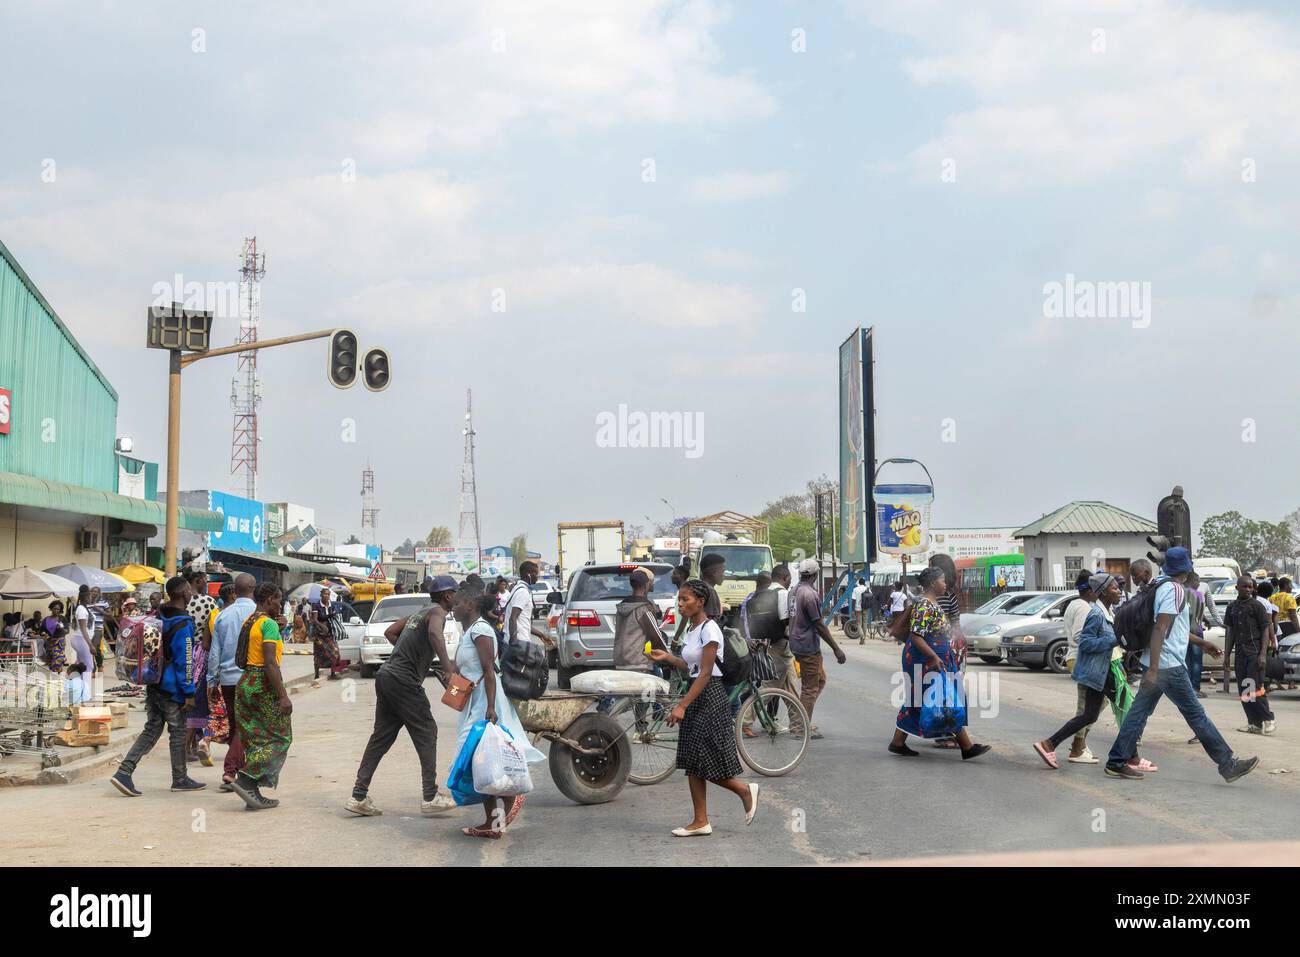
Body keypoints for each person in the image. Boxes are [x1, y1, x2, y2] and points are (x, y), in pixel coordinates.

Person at [1105, 548, 1257, 782]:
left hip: (1156, 663)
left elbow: (1173, 629)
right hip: (1167, 666)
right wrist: (1155, 670)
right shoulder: (1175, 589)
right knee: (1196, 715)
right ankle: (1227, 764)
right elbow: (1160, 629)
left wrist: (1203, 643)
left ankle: (1116, 761)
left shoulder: (1160, 586)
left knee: (1138, 713)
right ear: (1186, 569)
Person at [648, 579, 758, 836]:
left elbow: (707, 673)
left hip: (709, 697)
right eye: (679, 599)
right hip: (697, 694)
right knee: (691, 759)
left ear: (701, 601)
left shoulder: (710, 630)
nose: (680, 604)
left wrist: (682, 706)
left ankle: (744, 790)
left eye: (685, 599)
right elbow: (692, 668)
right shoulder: (692, 631)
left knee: (706, 758)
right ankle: (701, 821)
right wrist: (668, 658)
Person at [346, 576, 460, 817]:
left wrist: (414, 655)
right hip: (403, 681)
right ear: (448, 596)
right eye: (456, 594)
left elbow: (390, 632)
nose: (458, 598)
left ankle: (358, 796)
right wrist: (449, 669)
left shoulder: (420, 613)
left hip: (387, 677)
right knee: (428, 731)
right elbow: (435, 635)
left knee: (381, 738)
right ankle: (430, 796)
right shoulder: (437, 613)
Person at [1033, 575, 1150, 770]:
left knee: (1089, 715)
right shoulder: (1096, 614)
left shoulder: (1107, 612)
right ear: (1103, 592)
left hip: (1106, 669)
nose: (1119, 591)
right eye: (1114, 588)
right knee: (1125, 709)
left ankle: (1049, 744)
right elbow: (1086, 643)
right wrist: (1114, 641)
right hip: (1100, 671)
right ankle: (1132, 758)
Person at [452, 590, 545, 838]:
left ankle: (512, 796)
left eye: (458, 603)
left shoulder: (481, 630)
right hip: (473, 700)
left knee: (479, 757)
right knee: (479, 761)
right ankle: (492, 823)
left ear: (470, 604)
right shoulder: (467, 632)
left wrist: (491, 707)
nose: (453, 607)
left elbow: (489, 670)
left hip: (485, 701)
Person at [111, 575, 204, 796]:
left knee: (152, 728)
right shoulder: (183, 623)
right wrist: (189, 692)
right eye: (189, 591)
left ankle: (124, 771)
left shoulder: (158, 615)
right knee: (178, 730)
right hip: (172, 687)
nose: (191, 594)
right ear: (183, 594)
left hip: (153, 681)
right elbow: (186, 661)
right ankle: (179, 779)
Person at [890, 566, 991, 760]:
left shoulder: (931, 604)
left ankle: (898, 742)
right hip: (928, 660)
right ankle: (966, 746)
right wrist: (934, 657)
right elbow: (917, 637)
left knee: (923, 699)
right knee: (945, 699)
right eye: (942, 580)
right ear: (931, 583)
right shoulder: (925, 606)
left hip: (936, 659)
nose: (945, 584)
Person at [231, 582, 292, 810]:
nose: (280, 604)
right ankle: (246, 780)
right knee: (281, 737)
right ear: (269, 600)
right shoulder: (268, 625)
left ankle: (252, 794)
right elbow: (269, 663)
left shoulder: (251, 621)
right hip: (262, 685)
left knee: (255, 739)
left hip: (245, 682)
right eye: (278, 600)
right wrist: (283, 696)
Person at [788, 558, 846, 739]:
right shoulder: (809, 595)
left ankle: (801, 718)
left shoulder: (793, 592)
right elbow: (819, 624)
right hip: (807, 646)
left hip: (797, 642)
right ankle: (800, 727)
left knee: (820, 680)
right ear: (815, 574)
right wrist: (837, 649)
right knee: (810, 689)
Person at [209, 573, 257, 791]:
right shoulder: (259, 615)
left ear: (235, 591)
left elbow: (214, 652)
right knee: (245, 727)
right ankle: (231, 771)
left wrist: (212, 680)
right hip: (250, 679)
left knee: (237, 725)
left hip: (227, 679)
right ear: (253, 588)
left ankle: (239, 770)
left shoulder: (223, 615)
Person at [1223, 576, 1275, 735]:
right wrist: (1227, 655)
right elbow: (1230, 632)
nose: (1247, 589)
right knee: (1244, 689)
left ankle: (1268, 719)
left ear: (1253, 589)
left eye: (1250, 587)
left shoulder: (1257, 606)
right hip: (1240, 653)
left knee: (1255, 687)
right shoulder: (1231, 607)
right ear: (1237, 588)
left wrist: (1263, 655)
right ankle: (1254, 723)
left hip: (1255, 653)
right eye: (1244, 586)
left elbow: (1266, 629)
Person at [1060, 571, 1099, 762]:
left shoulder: (1076, 604)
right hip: (1080, 659)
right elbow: (1078, 636)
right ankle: (1077, 745)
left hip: (1076, 659)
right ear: (1090, 590)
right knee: (1086, 708)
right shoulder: (1083, 607)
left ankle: (1080, 742)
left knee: (1094, 704)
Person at [612, 568, 662, 672]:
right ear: (646, 584)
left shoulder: (622, 606)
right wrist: (668, 657)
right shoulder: (644, 608)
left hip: (620, 662)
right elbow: (655, 636)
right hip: (639, 662)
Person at [1182, 572, 1222, 699]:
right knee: (1194, 661)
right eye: (1197, 581)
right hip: (1193, 631)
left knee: (1189, 660)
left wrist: (1207, 619)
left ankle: (1190, 688)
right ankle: (1194, 688)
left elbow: (1198, 609)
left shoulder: (1184, 591)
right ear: (1190, 580)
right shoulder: (1191, 591)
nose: (1199, 583)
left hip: (1187, 631)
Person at [310, 587, 350, 680]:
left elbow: (334, 616)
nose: (326, 596)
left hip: (330, 633)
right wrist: (322, 625)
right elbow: (314, 620)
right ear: (321, 595)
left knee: (334, 652)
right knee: (318, 654)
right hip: (319, 634)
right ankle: (317, 674)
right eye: (324, 594)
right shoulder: (316, 606)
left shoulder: (331, 605)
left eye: (328, 594)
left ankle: (333, 673)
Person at [698, 554, 727, 626]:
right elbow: (712, 622)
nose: (724, 575)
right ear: (714, 573)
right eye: (722, 572)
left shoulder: (699, 587)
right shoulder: (710, 591)